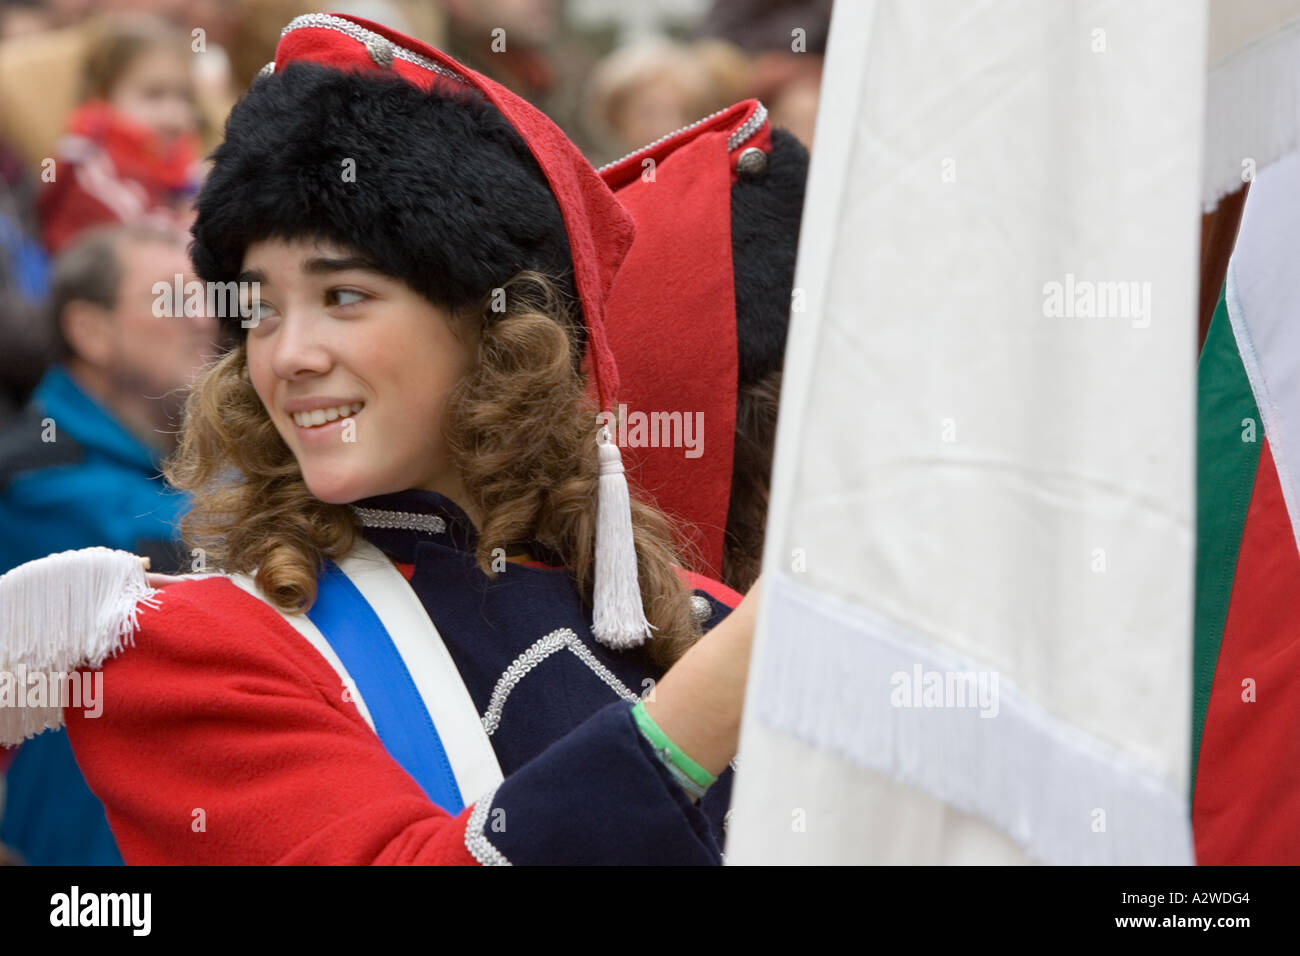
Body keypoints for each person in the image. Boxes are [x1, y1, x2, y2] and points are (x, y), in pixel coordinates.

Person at [2, 13, 766, 865]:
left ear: (491, 327)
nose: (288, 355)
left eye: (345, 297)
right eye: (258, 310)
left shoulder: (705, 620)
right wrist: (719, 698)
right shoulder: (187, 647)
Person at [0, 222, 215, 864]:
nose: (204, 318)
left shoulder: (178, 460)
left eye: (204, 296)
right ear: (90, 331)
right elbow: (183, 551)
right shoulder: (30, 477)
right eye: (171, 298)